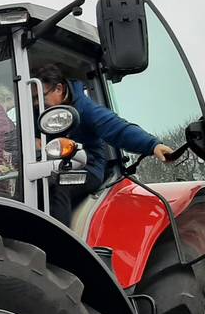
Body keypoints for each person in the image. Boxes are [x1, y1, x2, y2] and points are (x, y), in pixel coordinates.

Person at [31, 64, 173, 224]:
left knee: (60, 182)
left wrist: (152, 145)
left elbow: (116, 128)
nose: (36, 103)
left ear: (59, 88)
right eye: (33, 99)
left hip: (88, 167)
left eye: (41, 97)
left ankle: (55, 242)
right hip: (51, 166)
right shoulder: (39, 112)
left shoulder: (84, 108)